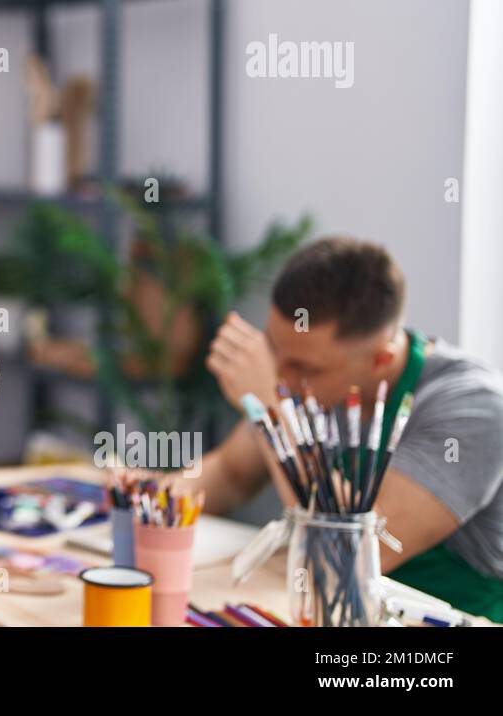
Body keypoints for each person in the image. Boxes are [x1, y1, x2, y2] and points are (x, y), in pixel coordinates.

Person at [187, 236, 503, 622]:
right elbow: (231, 473)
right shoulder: (314, 382)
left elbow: (356, 555)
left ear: (380, 360)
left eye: (303, 368)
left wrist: (273, 406)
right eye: (274, 353)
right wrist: (158, 501)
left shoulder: (475, 409)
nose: (284, 377)